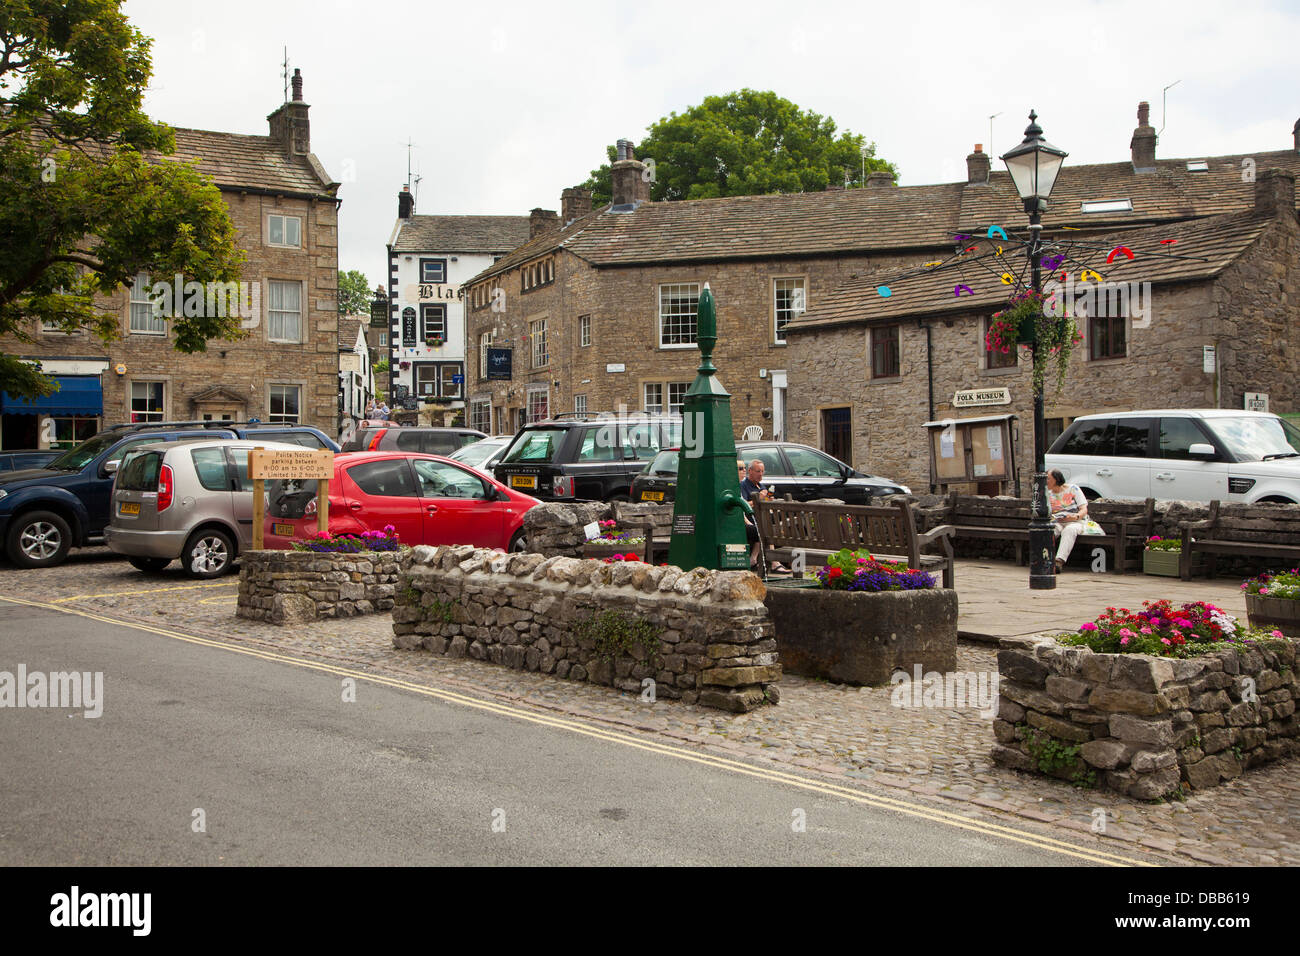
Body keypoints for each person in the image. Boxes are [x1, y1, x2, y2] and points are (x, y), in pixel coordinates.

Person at [740, 459, 788, 574]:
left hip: (762, 517)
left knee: (772, 525)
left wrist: (768, 499)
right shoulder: (744, 485)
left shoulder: (761, 485)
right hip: (751, 518)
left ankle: (754, 559)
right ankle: (774, 562)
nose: (760, 474)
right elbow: (744, 504)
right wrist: (758, 499)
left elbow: (765, 502)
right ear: (750, 471)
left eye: (762, 471)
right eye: (758, 471)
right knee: (766, 529)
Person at [1047, 468, 1089, 574]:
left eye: (1048, 479)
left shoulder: (1073, 489)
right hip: (1057, 521)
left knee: (1069, 530)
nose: (1046, 481)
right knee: (1049, 531)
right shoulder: (1047, 493)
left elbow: (1084, 509)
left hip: (1075, 521)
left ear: (1056, 479)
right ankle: (1045, 559)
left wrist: (1075, 517)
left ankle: (1058, 562)